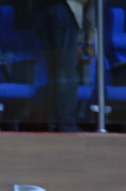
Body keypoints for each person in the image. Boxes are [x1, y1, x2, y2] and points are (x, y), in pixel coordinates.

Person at [33, 0, 95, 132]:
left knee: (54, 71)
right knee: (66, 72)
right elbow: (92, 8)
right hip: (66, 9)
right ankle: (66, 124)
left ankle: (53, 124)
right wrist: (87, 41)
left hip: (41, 9)